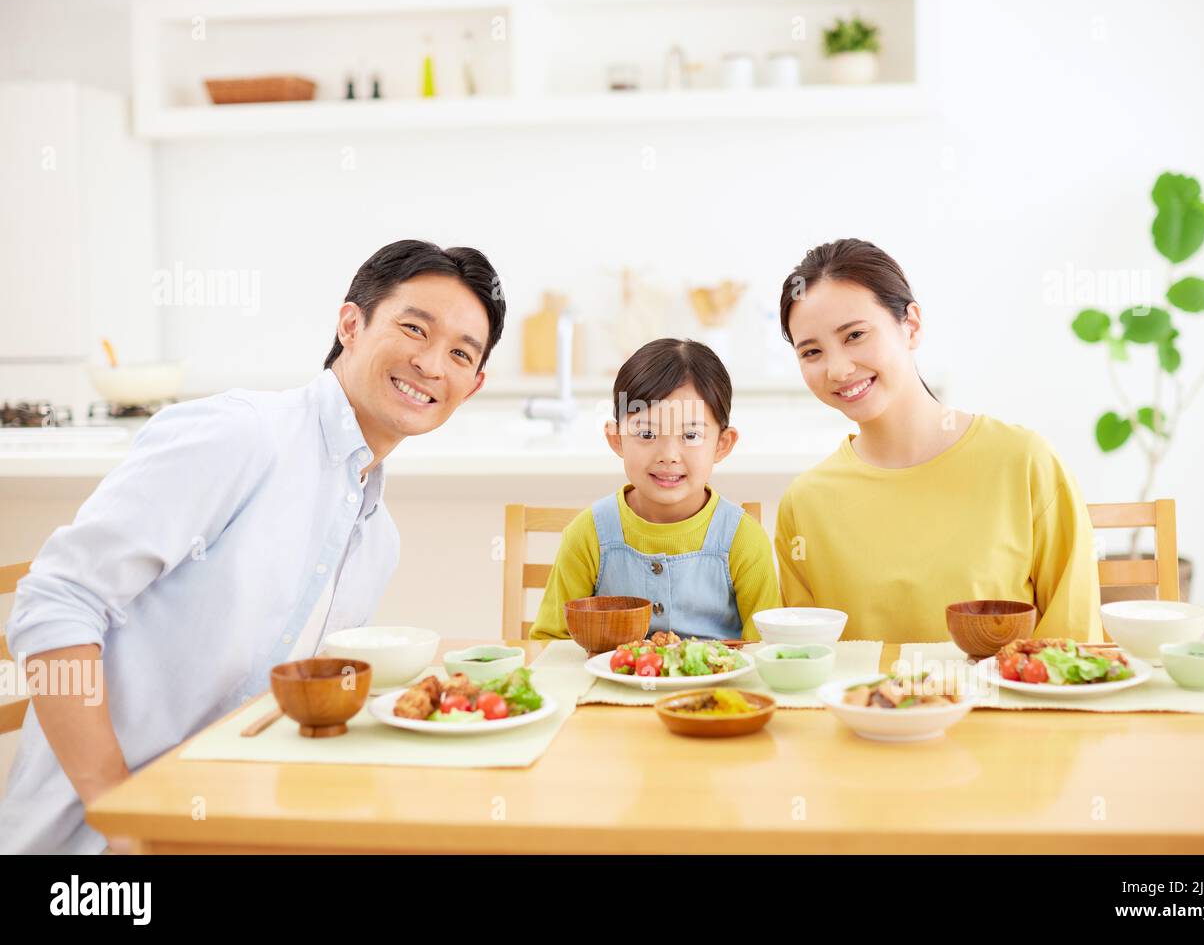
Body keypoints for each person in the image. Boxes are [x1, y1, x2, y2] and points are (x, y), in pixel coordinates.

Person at [0, 239, 506, 853]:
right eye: (413, 328)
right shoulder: (240, 436)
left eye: (458, 353)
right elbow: (55, 603)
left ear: (471, 386)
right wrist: (119, 812)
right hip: (97, 847)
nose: (431, 364)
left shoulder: (377, 538)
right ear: (351, 324)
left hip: (231, 829)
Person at [774, 238, 1102, 643]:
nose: (838, 369)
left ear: (911, 325)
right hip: (860, 707)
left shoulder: (1022, 462)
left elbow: (1073, 643)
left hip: (1008, 705)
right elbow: (807, 663)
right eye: (811, 352)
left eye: (855, 335)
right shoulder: (805, 502)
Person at [530, 339, 780, 642]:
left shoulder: (744, 539)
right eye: (647, 433)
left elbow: (765, 649)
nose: (669, 455)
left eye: (691, 434)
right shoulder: (588, 534)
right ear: (617, 438)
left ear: (722, 443)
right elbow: (550, 644)